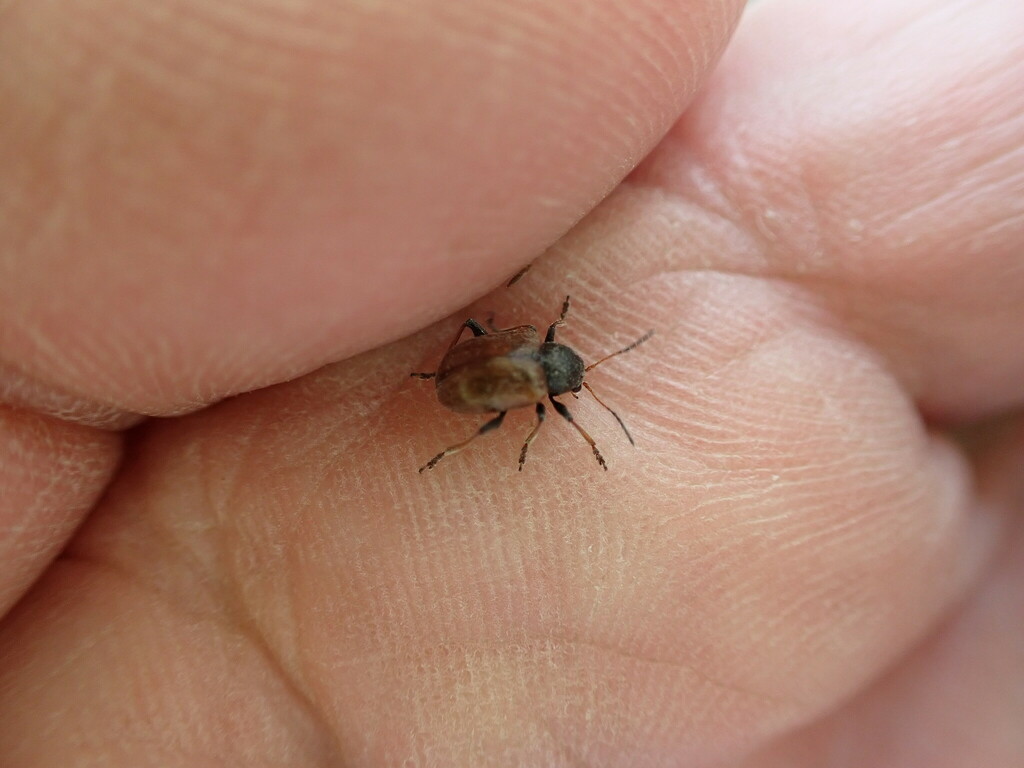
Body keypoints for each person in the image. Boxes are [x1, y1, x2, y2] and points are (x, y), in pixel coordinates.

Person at [1, 0, 1021, 764]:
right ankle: (445, 444)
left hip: (457, 386)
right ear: (549, 372)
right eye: (566, 379)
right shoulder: (537, 379)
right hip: (451, 389)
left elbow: (528, 381)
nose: (567, 378)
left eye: (569, 383)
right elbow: (532, 395)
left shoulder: (534, 365)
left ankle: (446, 442)